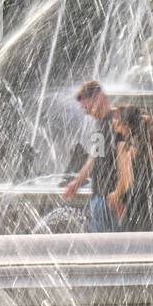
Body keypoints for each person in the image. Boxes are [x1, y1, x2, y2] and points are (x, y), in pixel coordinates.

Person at [61, 80, 118, 233]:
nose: (89, 114)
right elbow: (95, 158)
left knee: (108, 246)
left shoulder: (117, 122)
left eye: (89, 108)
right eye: (86, 111)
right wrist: (76, 183)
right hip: (101, 196)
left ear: (99, 97)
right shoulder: (101, 124)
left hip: (110, 198)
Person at [108, 105, 153, 231]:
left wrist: (116, 195)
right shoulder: (150, 144)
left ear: (125, 124)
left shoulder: (126, 147)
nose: (113, 121)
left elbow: (127, 179)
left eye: (116, 118)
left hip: (138, 206)